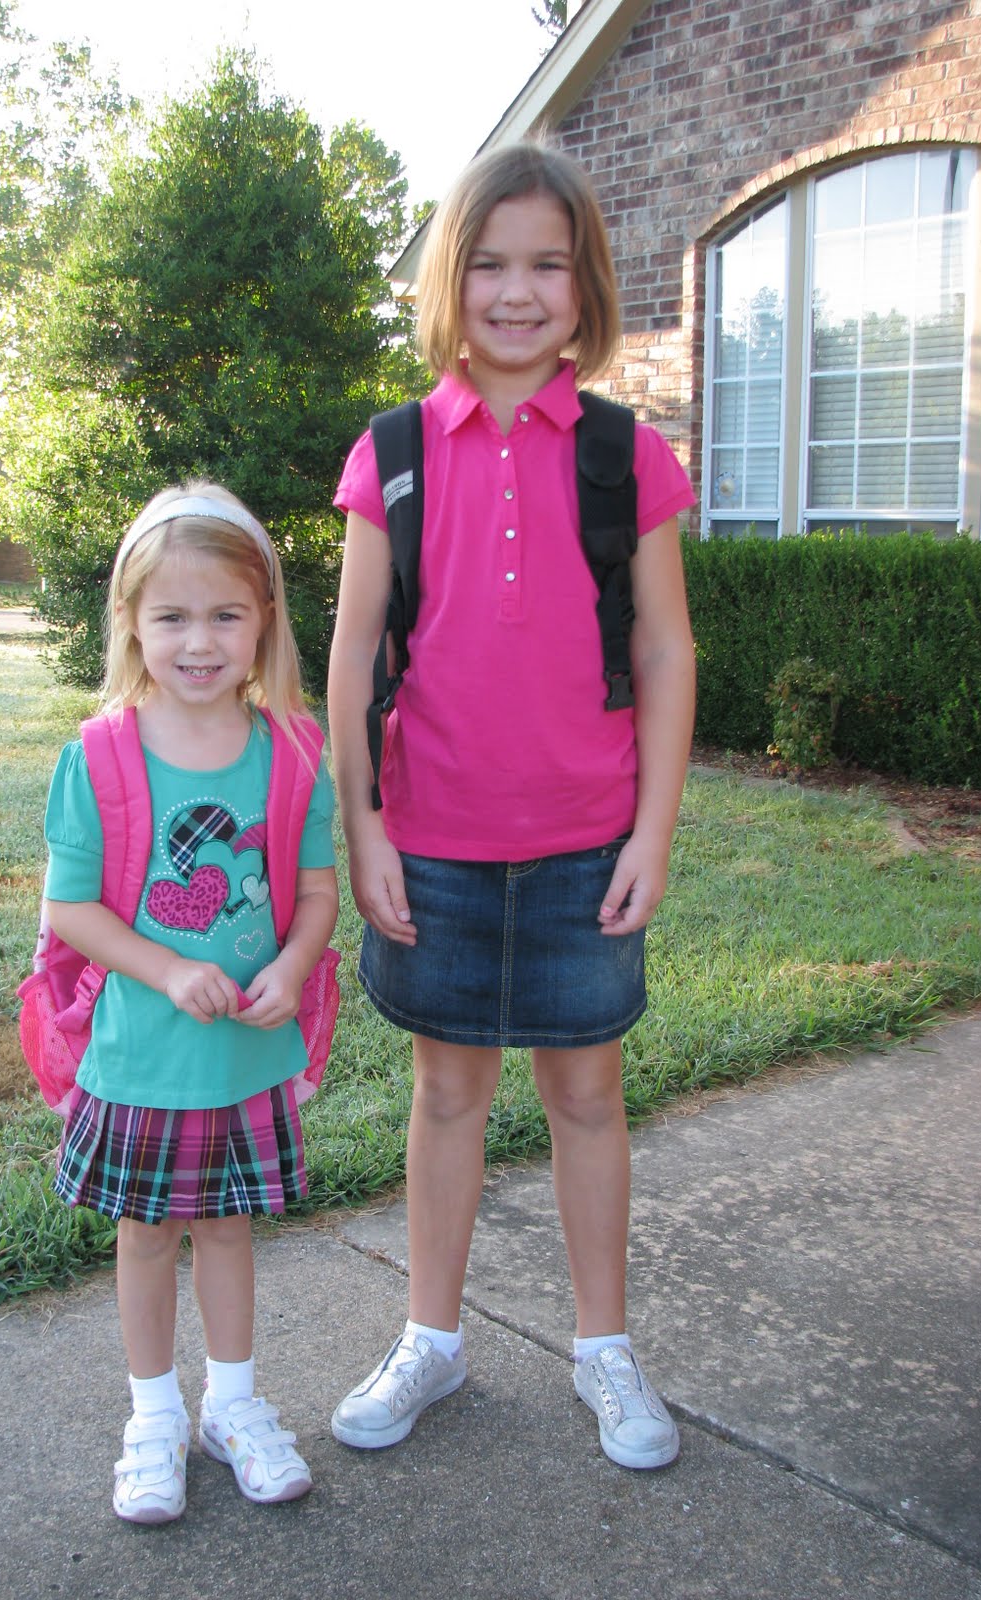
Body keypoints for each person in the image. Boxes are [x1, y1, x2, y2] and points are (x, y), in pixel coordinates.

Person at [326, 142, 696, 1472]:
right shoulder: (393, 455)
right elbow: (357, 650)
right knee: (445, 1094)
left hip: (586, 848)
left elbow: (663, 648)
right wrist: (362, 826)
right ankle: (433, 1337)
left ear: (583, 285)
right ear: (451, 279)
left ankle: (606, 1352)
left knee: (589, 1097)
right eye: (489, 262)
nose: (517, 290)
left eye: (546, 263)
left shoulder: (625, 455)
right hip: (431, 843)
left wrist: (652, 832)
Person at [41, 482, 338, 1523]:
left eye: (226, 614)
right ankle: (153, 1416)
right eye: (171, 616)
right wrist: (167, 969)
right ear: (130, 621)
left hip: (246, 1057)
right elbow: (70, 907)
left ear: (265, 621)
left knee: (226, 1230)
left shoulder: (294, 752)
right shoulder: (102, 756)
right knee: (148, 1234)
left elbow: (313, 894)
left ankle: (237, 1404)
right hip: (140, 1055)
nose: (199, 640)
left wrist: (295, 968)